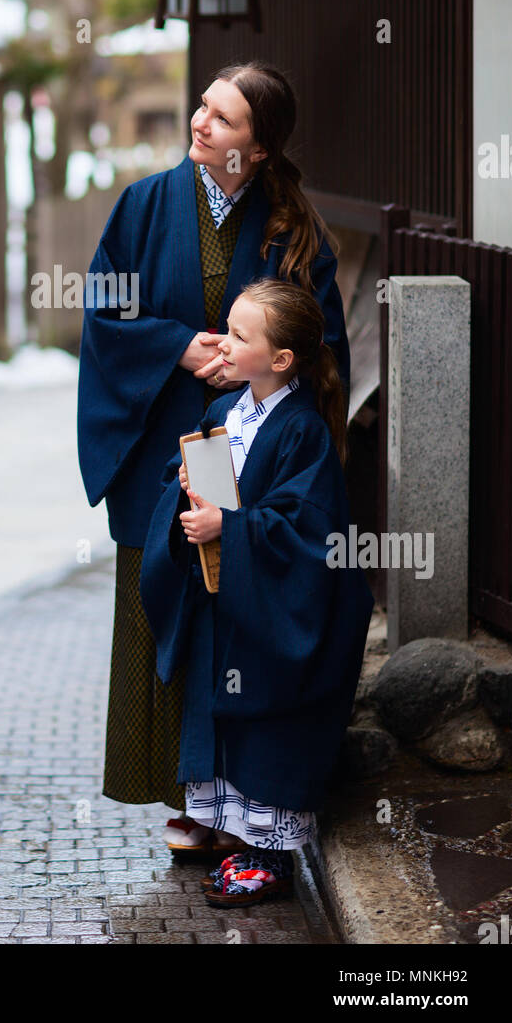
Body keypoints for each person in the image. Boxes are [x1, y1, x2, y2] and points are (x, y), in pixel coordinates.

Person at [76, 61, 351, 851]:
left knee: (231, 605)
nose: (200, 123)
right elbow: (105, 309)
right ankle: (188, 795)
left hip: (249, 439)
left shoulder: (293, 229)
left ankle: (236, 799)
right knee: (169, 593)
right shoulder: (146, 204)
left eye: (222, 119)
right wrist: (177, 350)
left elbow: (320, 340)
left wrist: (252, 365)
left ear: (257, 148)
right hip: (171, 434)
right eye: (202, 108)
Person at [138, 279, 374, 905]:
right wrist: (184, 483)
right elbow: (189, 479)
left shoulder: (301, 430)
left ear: (282, 361)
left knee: (268, 719)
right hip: (226, 600)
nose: (224, 339)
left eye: (241, 335)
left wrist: (231, 528)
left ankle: (269, 854)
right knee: (222, 713)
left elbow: (309, 526)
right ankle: (228, 831)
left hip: (269, 603)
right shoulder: (223, 412)